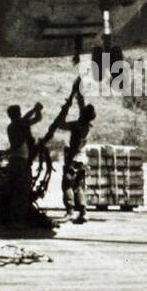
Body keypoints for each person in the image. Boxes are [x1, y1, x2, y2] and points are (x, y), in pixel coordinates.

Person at [59, 87, 96, 223]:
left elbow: (60, 124)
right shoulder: (87, 126)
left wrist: (65, 109)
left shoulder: (76, 126)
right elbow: (83, 108)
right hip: (82, 159)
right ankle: (83, 212)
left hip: (73, 159)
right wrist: (79, 97)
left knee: (67, 185)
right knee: (79, 186)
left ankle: (69, 210)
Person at [6, 102, 43, 226]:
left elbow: (36, 118)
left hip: (19, 160)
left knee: (19, 191)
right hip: (19, 161)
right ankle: (16, 220)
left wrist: (36, 110)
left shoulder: (16, 125)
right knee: (20, 192)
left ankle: (15, 219)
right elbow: (28, 119)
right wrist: (35, 109)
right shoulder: (16, 125)